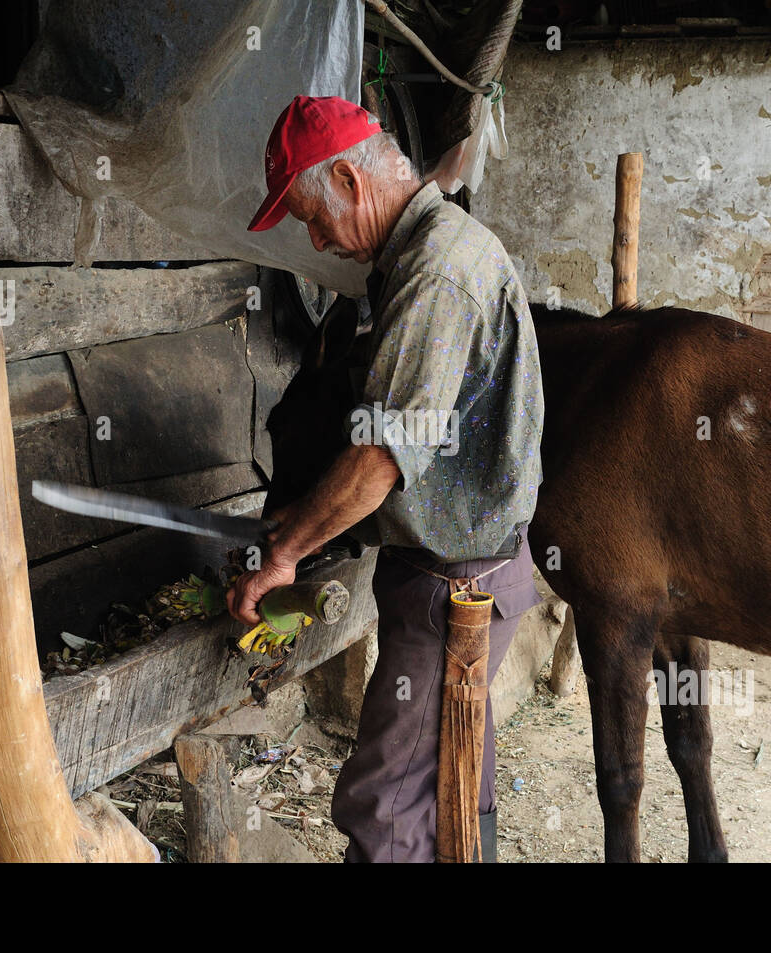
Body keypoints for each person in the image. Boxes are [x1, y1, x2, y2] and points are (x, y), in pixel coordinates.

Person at [228, 95, 544, 862]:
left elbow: (379, 458)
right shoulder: (428, 253)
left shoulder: (437, 273)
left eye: (313, 214)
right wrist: (302, 516)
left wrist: (286, 551)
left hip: (455, 589)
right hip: (457, 572)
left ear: (349, 178)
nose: (318, 238)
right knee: (455, 782)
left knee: (385, 807)